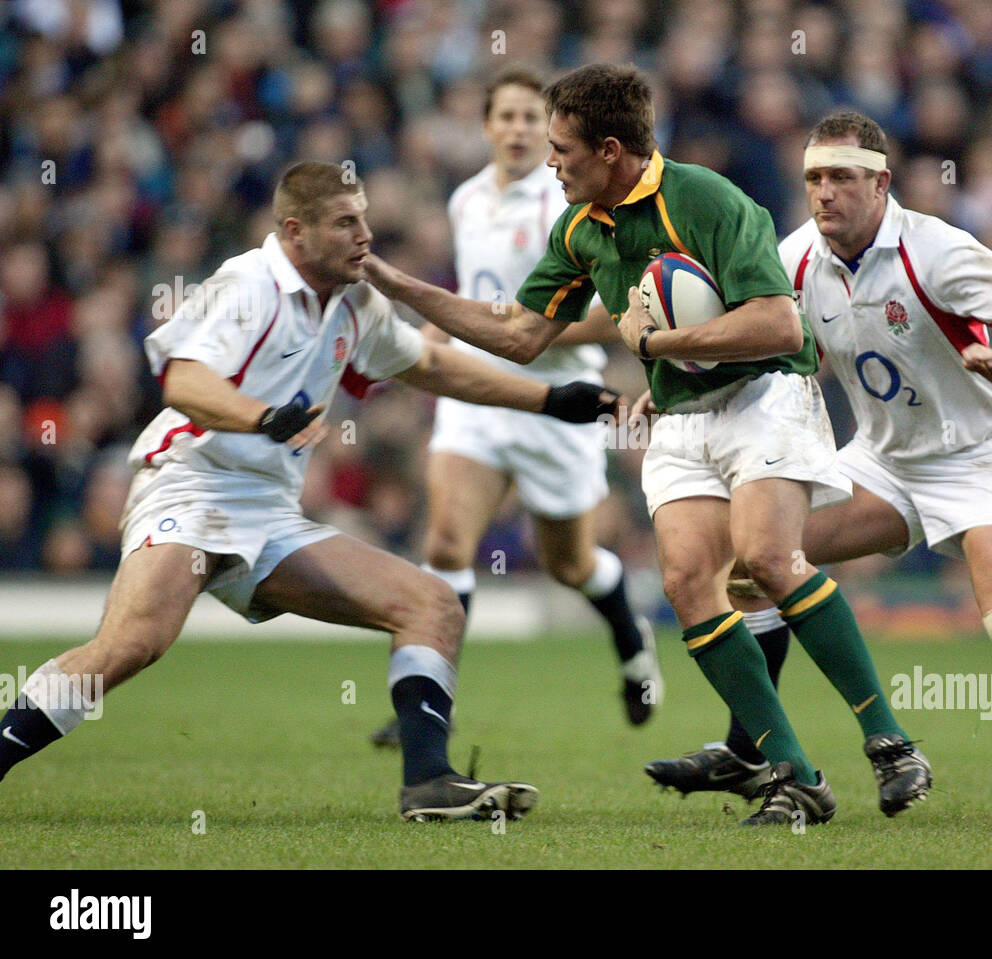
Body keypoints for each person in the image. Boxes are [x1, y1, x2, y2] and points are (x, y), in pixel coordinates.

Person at [362, 64, 930, 825]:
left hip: (764, 395)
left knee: (767, 559)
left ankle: (891, 741)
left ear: (609, 150)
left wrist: (659, 342)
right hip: (681, 416)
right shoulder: (578, 226)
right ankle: (794, 776)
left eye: (563, 148)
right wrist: (399, 285)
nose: (550, 162)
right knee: (690, 582)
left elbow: (777, 324)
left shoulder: (706, 199)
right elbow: (519, 334)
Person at [0, 161, 620, 822]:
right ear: (296, 231)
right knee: (132, 644)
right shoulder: (248, 283)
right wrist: (260, 416)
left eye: (365, 219)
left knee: (431, 603)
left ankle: (429, 784)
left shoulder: (357, 303)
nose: (365, 235)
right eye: (346, 223)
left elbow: (431, 364)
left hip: (268, 511)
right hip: (191, 485)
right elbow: (183, 380)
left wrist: (551, 399)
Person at [644, 111, 992, 804]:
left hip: (980, 460)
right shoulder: (796, 258)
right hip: (883, 461)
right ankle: (750, 752)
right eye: (815, 177)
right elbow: (754, 339)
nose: (825, 193)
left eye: (843, 177)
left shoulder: (935, 252)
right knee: (756, 563)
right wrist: (679, 385)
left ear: (881, 184)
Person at [368, 70, 659, 751]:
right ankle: (428, 703)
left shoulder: (574, 201)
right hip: (477, 394)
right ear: (487, 125)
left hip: (561, 401)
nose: (521, 129)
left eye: (534, 118)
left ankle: (631, 638)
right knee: (446, 544)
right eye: (508, 116)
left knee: (570, 564)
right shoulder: (467, 199)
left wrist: (531, 333)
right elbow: (476, 294)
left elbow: (615, 310)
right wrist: (432, 342)